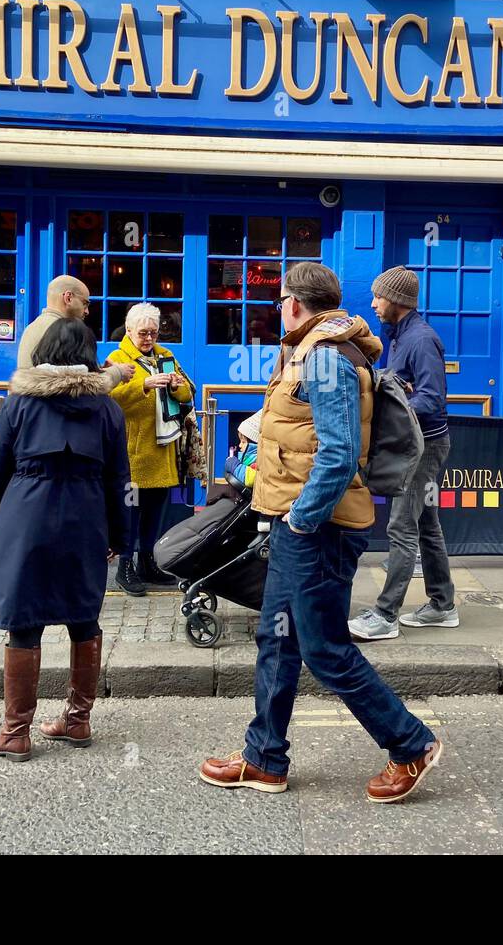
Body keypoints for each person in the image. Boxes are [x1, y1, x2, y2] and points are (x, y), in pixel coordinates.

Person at [198, 262, 444, 804]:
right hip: (299, 525)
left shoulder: (327, 357)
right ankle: (264, 758)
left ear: (293, 302)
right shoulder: (311, 349)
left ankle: (411, 744)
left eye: (280, 299)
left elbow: (335, 454)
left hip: (319, 529)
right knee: (277, 638)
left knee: (324, 649)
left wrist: (302, 517)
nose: (277, 308)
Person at [0, 318, 133, 761]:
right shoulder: (108, 410)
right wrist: (120, 536)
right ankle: (77, 721)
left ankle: (15, 732)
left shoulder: (19, 405)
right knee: (84, 616)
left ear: (44, 354)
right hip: (86, 520)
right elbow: (120, 480)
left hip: (27, 519)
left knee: (25, 619)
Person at [350, 265, 458, 640]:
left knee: (400, 526)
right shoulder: (397, 336)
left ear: (395, 299)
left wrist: (397, 398)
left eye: (378, 296)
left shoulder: (422, 339)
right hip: (419, 442)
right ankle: (443, 605)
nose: (373, 303)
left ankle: (385, 615)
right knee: (426, 525)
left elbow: (433, 397)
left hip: (424, 446)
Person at [105, 302, 194, 596]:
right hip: (133, 448)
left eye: (153, 333)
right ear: (129, 331)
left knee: (155, 510)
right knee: (130, 510)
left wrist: (174, 384)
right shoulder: (116, 359)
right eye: (143, 333)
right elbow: (111, 398)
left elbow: (187, 392)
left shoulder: (165, 356)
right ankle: (125, 566)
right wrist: (145, 385)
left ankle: (148, 562)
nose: (149, 339)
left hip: (162, 447)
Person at [18, 275, 94, 369]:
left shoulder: (31, 327)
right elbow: (79, 378)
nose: (87, 311)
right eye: (85, 304)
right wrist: (115, 371)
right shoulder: (66, 332)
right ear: (68, 298)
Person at [225, 409, 261, 490]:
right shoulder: (250, 459)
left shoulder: (258, 461)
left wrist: (234, 466)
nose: (239, 445)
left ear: (255, 444)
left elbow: (251, 479)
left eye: (243, 442)